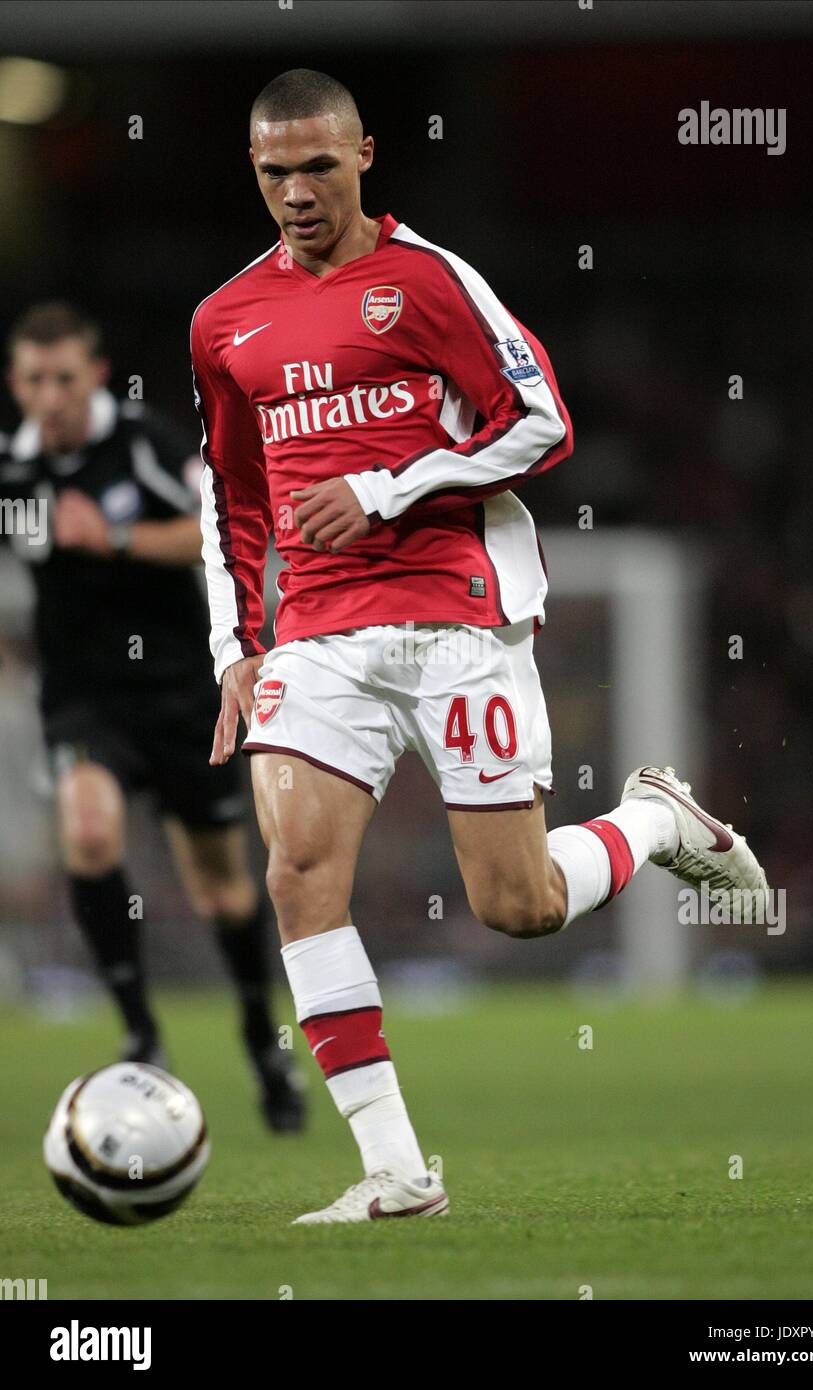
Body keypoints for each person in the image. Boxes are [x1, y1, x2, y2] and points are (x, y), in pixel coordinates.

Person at [191, 69, 767, 1222]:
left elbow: (541, 419)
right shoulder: (224, 320)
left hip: (458, 613)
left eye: (317, 166)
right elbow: (232, 499)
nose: (297, 193)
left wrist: (388, 487)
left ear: (363, 153)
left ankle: (656, 819)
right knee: (298, 873)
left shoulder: (429, 281)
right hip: (316, 630)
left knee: (518, 905)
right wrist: (233, 646)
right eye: (272, 173)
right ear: (252, 173)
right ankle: (396, 1171)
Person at [0, 302, 305, 1132]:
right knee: (90, 833)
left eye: (65, 377)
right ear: (15, 385)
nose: (51, 396)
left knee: (222, 886)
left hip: (180, 692)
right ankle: (140, 1034)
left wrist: (117, 537)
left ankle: (260, 1043)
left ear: (94, 376)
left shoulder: (149, 442)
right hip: (84, 701)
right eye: (34, 380)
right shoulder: (14, 472)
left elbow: (226, 529)